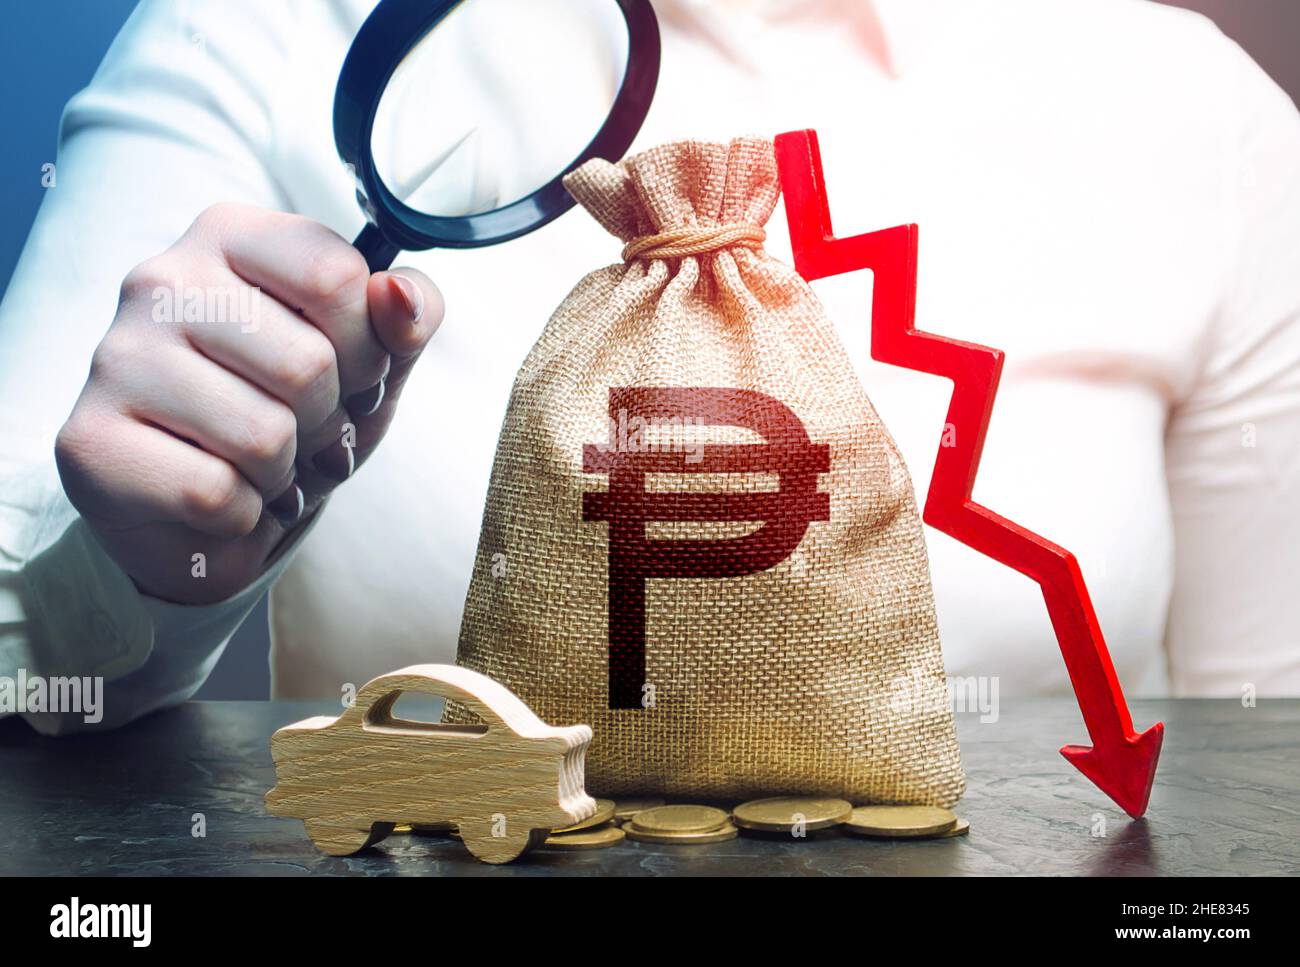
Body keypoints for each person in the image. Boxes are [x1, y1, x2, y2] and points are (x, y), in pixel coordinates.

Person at [2, 0, 1298, 735]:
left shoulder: (1196, 113)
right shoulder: (270, 30)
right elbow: (17, 668)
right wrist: (143, 564)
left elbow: (1268, 779)